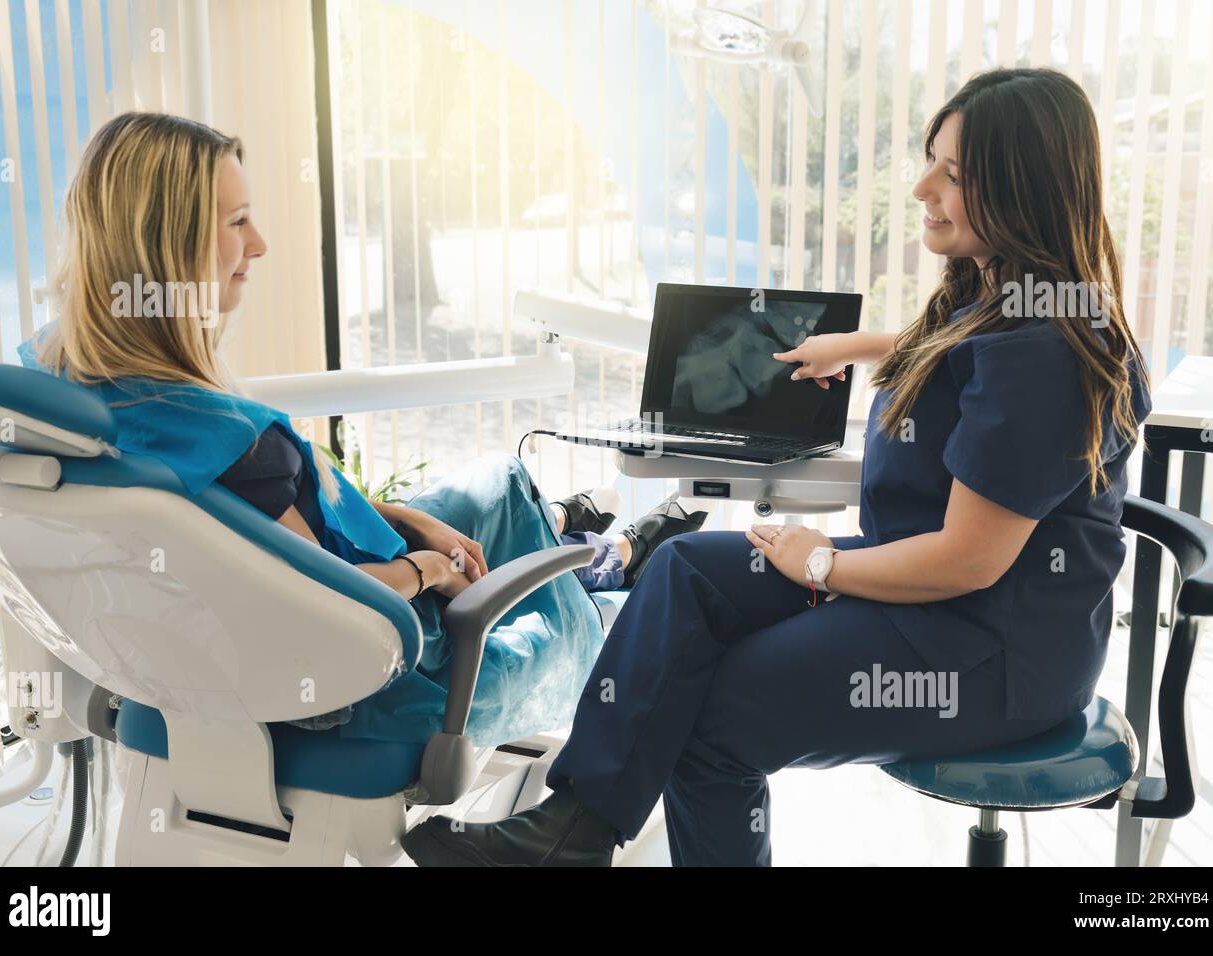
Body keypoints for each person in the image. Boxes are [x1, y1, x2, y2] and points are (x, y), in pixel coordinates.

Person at [401, 67, 1153, 867]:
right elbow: (969, 351)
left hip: (988, 651)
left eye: (954, 174)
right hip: (936, 599)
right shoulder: (1019, 297)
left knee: (715, 718)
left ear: (1022, 190)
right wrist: (857, 347)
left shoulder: (1042, 356)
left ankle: (574, 838)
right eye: (930, 158)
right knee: (685, 566)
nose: (920, 186)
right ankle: (576, 826)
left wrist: (822, 562)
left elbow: (969, 560)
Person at [18, 110, 707, 746]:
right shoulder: (226, 439)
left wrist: (405, 517)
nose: (258, 245)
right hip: (380, 671)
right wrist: (426, 567)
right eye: (236, 223)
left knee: (496, 485)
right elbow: (321, 604)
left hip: (311, 611)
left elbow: (253, 528)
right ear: (168, 246)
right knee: (582, 623)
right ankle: (602, 577)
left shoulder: (70, 383)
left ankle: (583, 548)